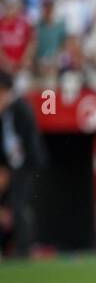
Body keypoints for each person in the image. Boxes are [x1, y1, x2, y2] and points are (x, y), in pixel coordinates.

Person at [0, 69, 48, 257]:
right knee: (11, 205)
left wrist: (26, 164)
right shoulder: (5, 113)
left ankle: (24, 247)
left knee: (19, 205)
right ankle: (10, 245)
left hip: (26, 165)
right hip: (12, 165)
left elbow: (29, 141)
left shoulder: (20, 108)